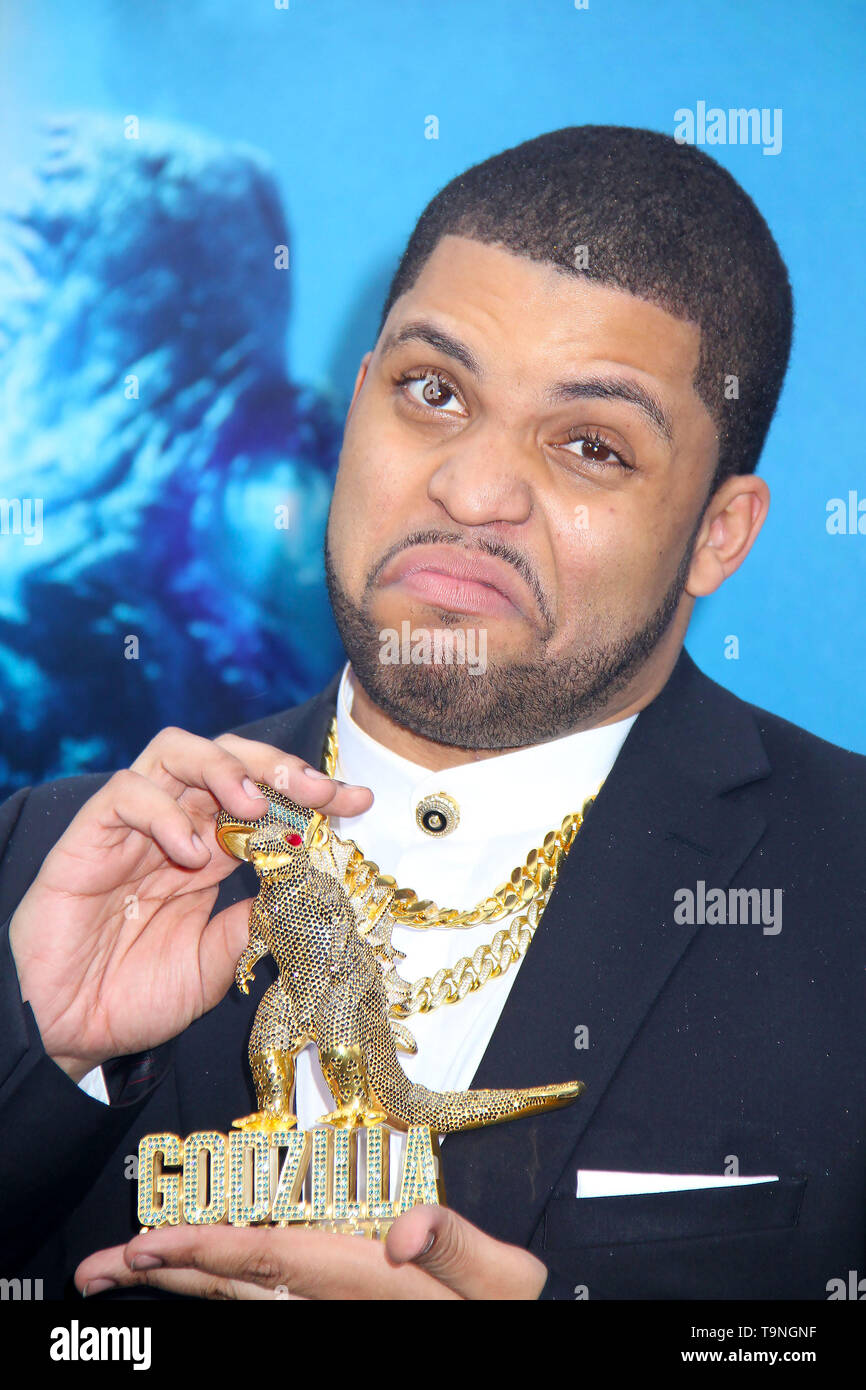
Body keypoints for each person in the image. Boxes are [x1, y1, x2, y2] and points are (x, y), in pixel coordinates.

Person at [1, 125, 863, 1302]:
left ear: (719, 531)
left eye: (590, 444)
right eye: (432, 390)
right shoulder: (46, 860)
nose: (473, 488)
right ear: (357, 403)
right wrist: (38, 1056)